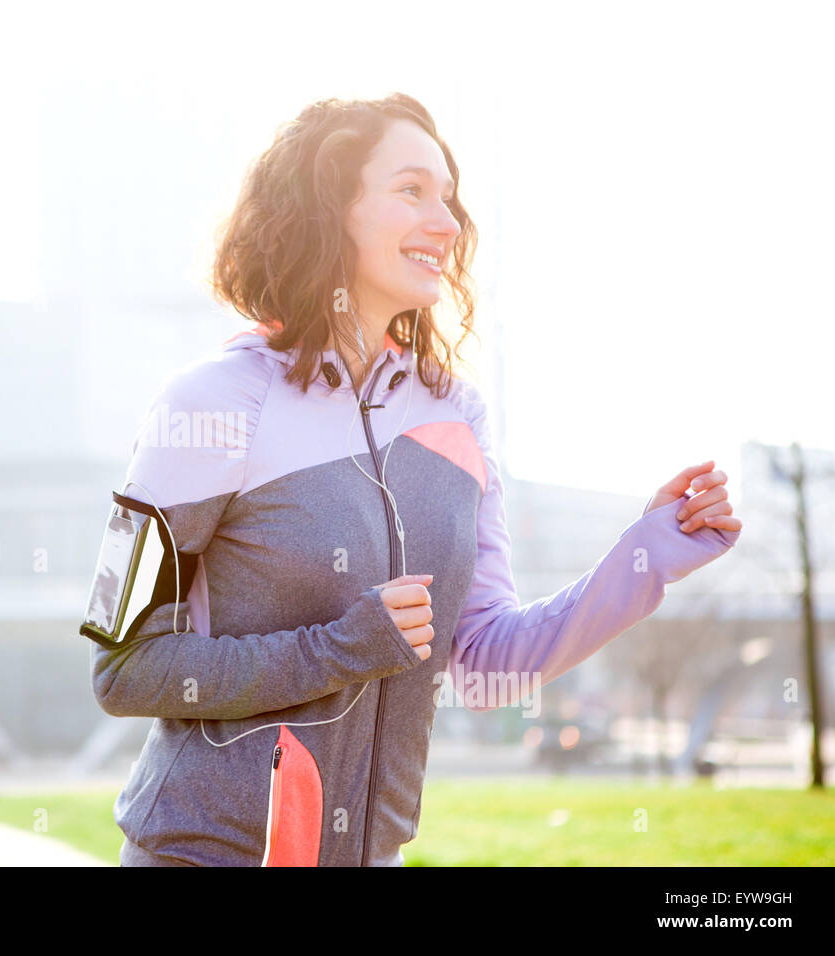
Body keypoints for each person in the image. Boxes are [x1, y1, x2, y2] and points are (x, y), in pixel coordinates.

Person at [86, 93, 742, 867]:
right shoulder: (205, 407)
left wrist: (646, 556)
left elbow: (489, 671)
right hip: (205, 853)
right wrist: (337, 649)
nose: (447, 222)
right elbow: (122, 668)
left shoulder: (456, 418)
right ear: (328, 206)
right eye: (411, 192)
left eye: (450, 198)